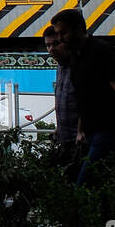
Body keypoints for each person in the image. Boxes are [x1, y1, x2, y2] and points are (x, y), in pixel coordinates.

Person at [50, 8, 115, 185]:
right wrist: (81, 130)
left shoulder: (102, 51)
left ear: (78, 28)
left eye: (63, 33)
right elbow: (82, 97)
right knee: (112, 184)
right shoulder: (75, 57)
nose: (61, 38)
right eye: (58, 34)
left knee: (86, 183)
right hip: (92, 132)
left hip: (111, 130)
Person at [44, 24, 82, 181]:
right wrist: (58, 129)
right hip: (65, 136)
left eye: (55, 44)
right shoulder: (60, 66)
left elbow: (85, 101)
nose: (51, 49)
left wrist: (81, 131)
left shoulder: (79, 65)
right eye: (48, 45)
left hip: (80, 138)